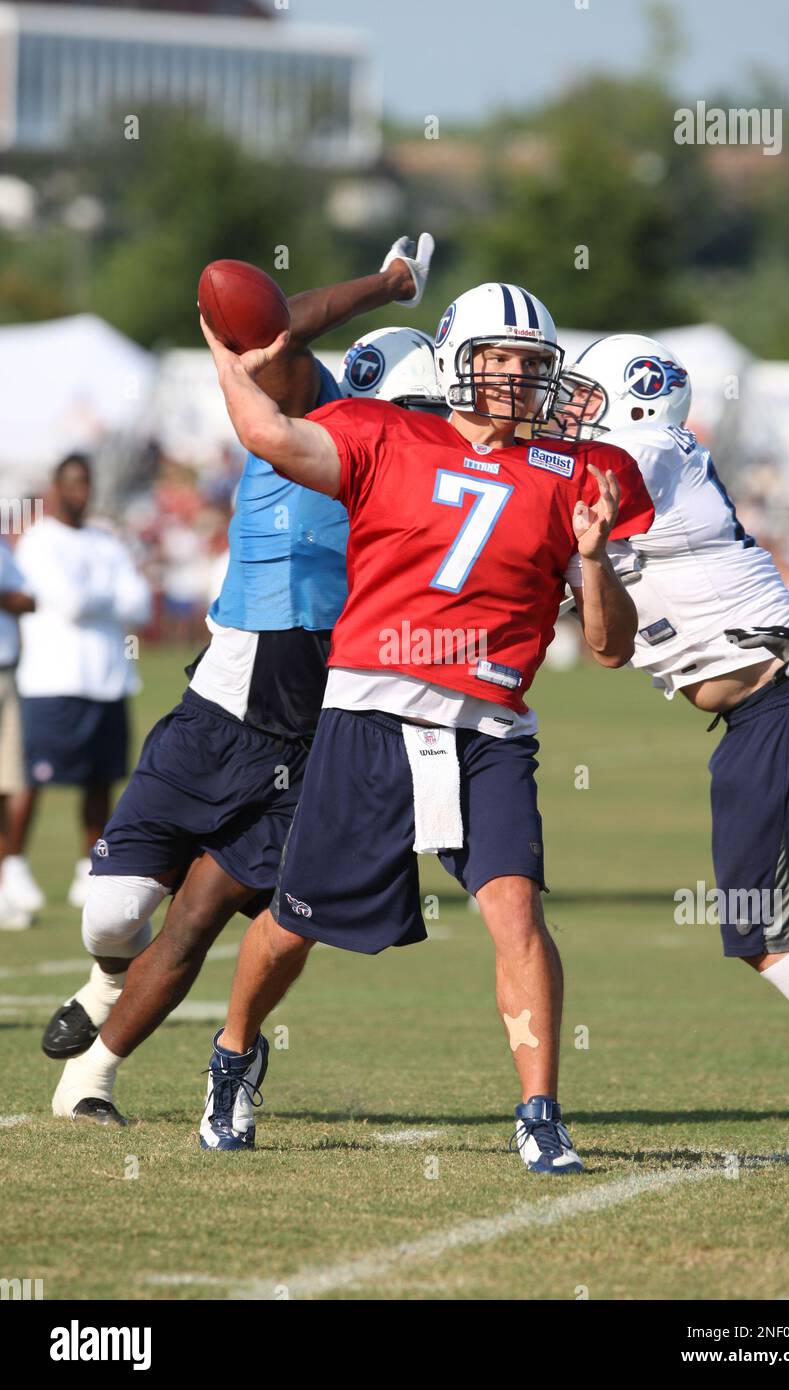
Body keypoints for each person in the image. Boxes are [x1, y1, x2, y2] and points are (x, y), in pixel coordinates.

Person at [195, 281, 656, 1173]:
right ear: (457, 361)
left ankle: (540, 1112)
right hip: (371, 709)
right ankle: (233, 1054)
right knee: (294, 923)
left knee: (516, 911)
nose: (517, 379)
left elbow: (608, 648)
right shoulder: (386, 433)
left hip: (489, 728)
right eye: (500, 360)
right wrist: (230, 355)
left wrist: (594, 562)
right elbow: (267, 435)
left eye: (531, 364)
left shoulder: (578, 475)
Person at [49, 236, 441, 1124]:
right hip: (221, 703)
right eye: (402, 412)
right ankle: (111, 979)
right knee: (112, 915)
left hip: (317, 729)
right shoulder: (318, 420)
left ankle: (93, 1078)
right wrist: (388, 285)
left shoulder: (447, 470)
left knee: (204, 913)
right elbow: (273, 333)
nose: (413, 433)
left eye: (427, 415)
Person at [539, 333, 789, 1145]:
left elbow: (571, 486)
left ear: (636, 397)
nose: (567, 411)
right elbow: (608, 647)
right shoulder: (639, 468)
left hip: (784, 699)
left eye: (584, 397)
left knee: (764, 929)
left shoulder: (644, 448)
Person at [5, 455, 151, 913]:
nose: (80, 492)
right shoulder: (40, 541)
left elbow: (141, 603)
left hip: (107, 678)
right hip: (53, 679)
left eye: (86, 483)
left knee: (100, 780)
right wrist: (108, 594)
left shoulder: (105, 540)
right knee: (33, 777)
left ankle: (89, 868)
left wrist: (100, 595)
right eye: (72, 483)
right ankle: (13, 866)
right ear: (56, 486)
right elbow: (67, 602)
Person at [0, 538, 36, 930]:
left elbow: (29, 600)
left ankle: (4, 885)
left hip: (7, 673)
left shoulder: (4, 548)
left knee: (7, 785)